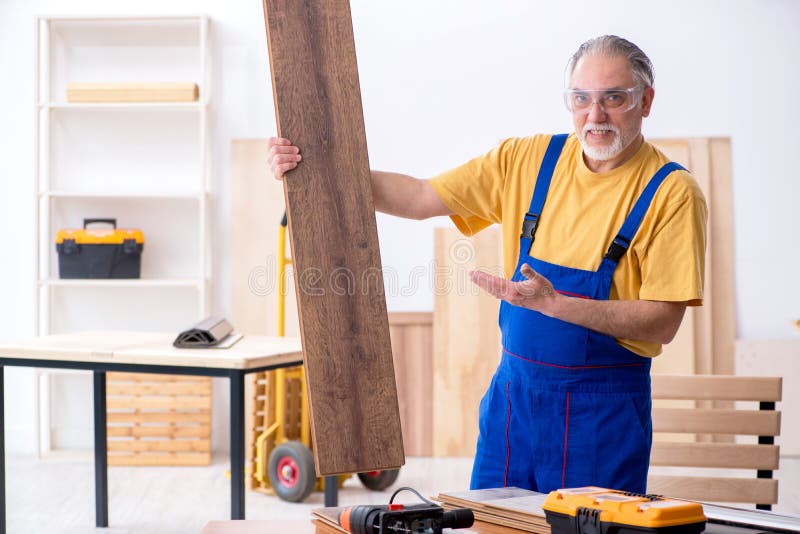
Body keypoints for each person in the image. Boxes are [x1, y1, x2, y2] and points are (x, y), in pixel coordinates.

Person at [267, 35, 707, 494]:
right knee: (489, 521)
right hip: (513, 407)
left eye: (613, 98)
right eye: (581, 99)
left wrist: (558, 305)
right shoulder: (527, 160)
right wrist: (314, 169)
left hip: (602, 417)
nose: (594, 116)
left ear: (645, 101)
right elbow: (420, 196)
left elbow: (662, 321)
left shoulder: (672, 194)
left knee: (582, 526)